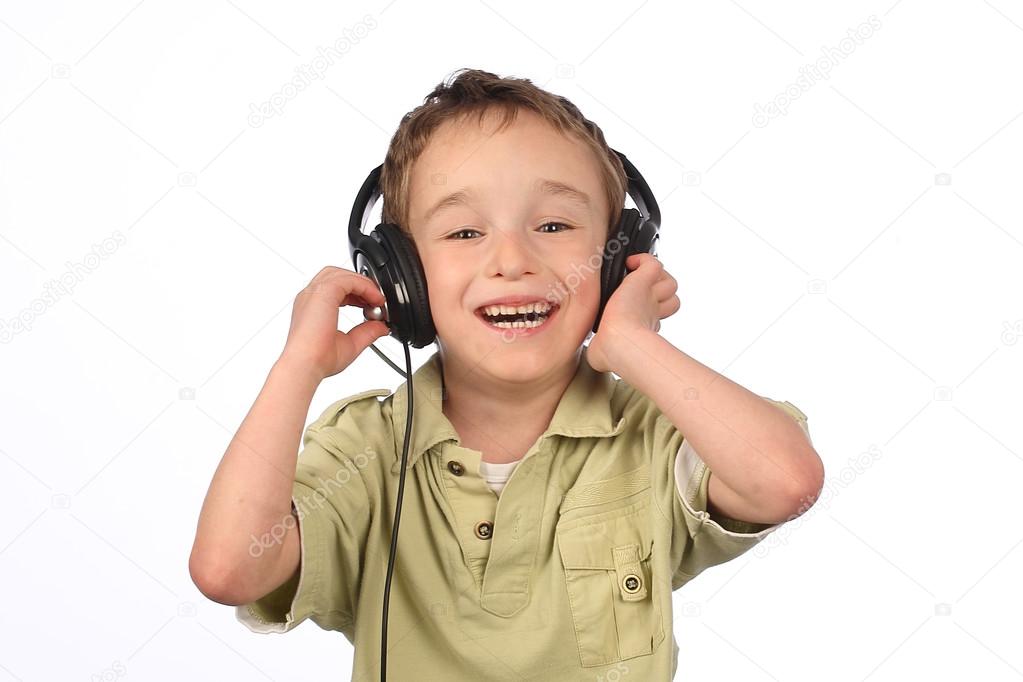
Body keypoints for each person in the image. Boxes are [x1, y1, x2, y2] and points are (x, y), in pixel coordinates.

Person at [188, 67, 824, 681]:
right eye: (464, 231)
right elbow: (228, 570)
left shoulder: (658, 437)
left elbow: (784, 481)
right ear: (399, 276)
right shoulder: (368, 450)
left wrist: (630, 343)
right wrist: (295, 370)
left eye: (554, 224)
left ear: (617, 263)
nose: (513, 260)